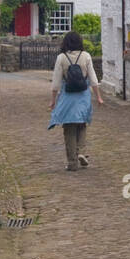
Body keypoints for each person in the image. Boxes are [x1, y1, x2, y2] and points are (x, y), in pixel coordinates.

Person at [48, 31, 103, 171]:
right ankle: (82, 152)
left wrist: (53, 101)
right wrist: (98, 97)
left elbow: (56, 83)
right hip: (83, 95)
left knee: (69, 128)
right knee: (82, 124)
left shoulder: (61, 58)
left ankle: (72, 163)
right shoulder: (86, 56)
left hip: (67, 95)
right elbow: (93, 79)